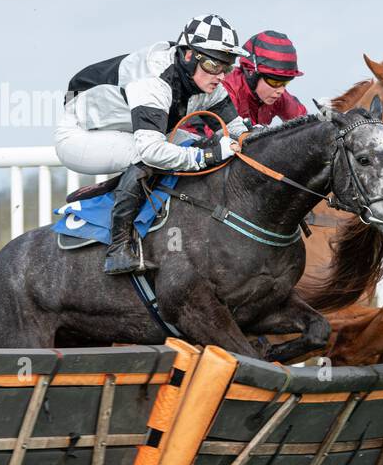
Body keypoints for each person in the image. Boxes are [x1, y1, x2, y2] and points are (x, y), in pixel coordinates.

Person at [54, 14, 250, 275]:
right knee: (150, 156)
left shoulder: (207, 81)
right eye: (215, 65)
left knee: (201, 143)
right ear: (189, 55)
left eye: (228, 66)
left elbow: (239, 133)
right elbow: (152, 151)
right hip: (80, 133)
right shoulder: (155, 81)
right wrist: (209, 156)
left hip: (130, 126)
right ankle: (119, 248)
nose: (222, 75)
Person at [222, 30, 308, 128]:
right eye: (274, 82)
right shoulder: (227, 89)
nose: (281, 91)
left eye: (285, 82)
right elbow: (219, 133)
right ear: (252, 73)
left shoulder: (278, 95)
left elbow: (305, 125)